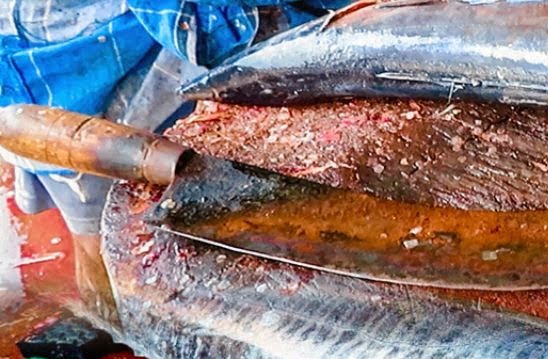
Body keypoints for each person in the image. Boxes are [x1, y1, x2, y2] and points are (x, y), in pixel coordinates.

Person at [0, 1, 347, 316]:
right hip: (61, 61)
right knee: (106, 241)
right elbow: (209, 31)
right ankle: (125, 335)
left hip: (137, 42)